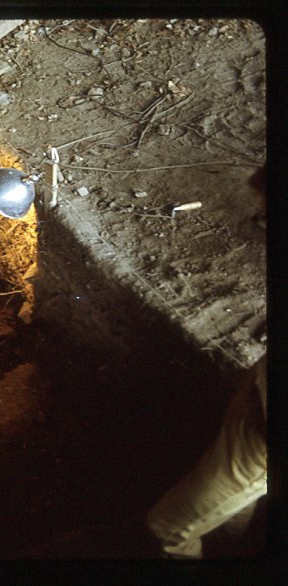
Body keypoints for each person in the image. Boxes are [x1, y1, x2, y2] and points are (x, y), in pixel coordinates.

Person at [145, 167, 268, 559]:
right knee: (232, 508)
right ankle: (233, 546)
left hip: (262, 440)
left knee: (167, 528)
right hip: (257, 402)